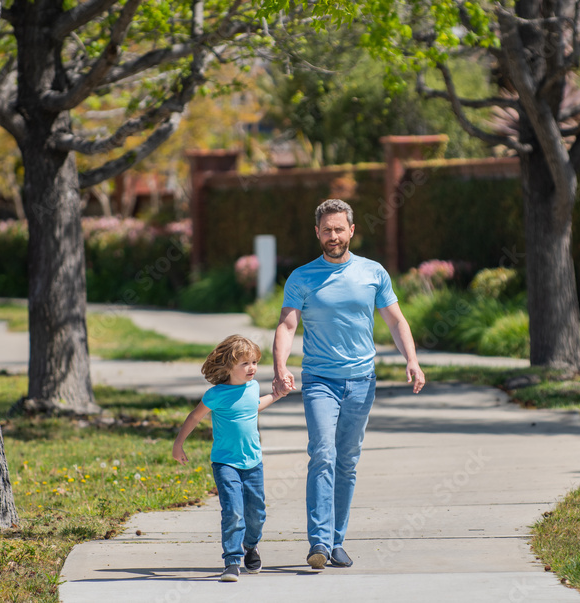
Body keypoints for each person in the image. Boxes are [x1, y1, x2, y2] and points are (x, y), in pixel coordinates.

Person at [272, 198, 425, 570]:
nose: (333, 236)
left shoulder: (373, 273)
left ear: (352, 230)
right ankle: (319, 543)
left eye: (339, 229)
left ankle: (337, 541)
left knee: (348, 461)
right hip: (320, 380)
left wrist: (412, 360)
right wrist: (280, 366)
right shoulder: (302, 277)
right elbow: (288, 325)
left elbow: (396, 321)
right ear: (317, 233)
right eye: (327, 230)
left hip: (361, 381)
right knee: (323, 454)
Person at [172, 335, 291, 582]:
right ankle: (232, 561)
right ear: (228, 366)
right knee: (233, 511)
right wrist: (178, 444)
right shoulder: (216, 394)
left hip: (253, 463)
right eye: (245, 364)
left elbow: (253, 406)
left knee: (256, 512)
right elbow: (194, 417)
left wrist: (277, 395)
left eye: (254, 362)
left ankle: (251, 545)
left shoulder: (254, 387)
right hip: (225, 462)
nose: (252, 368)